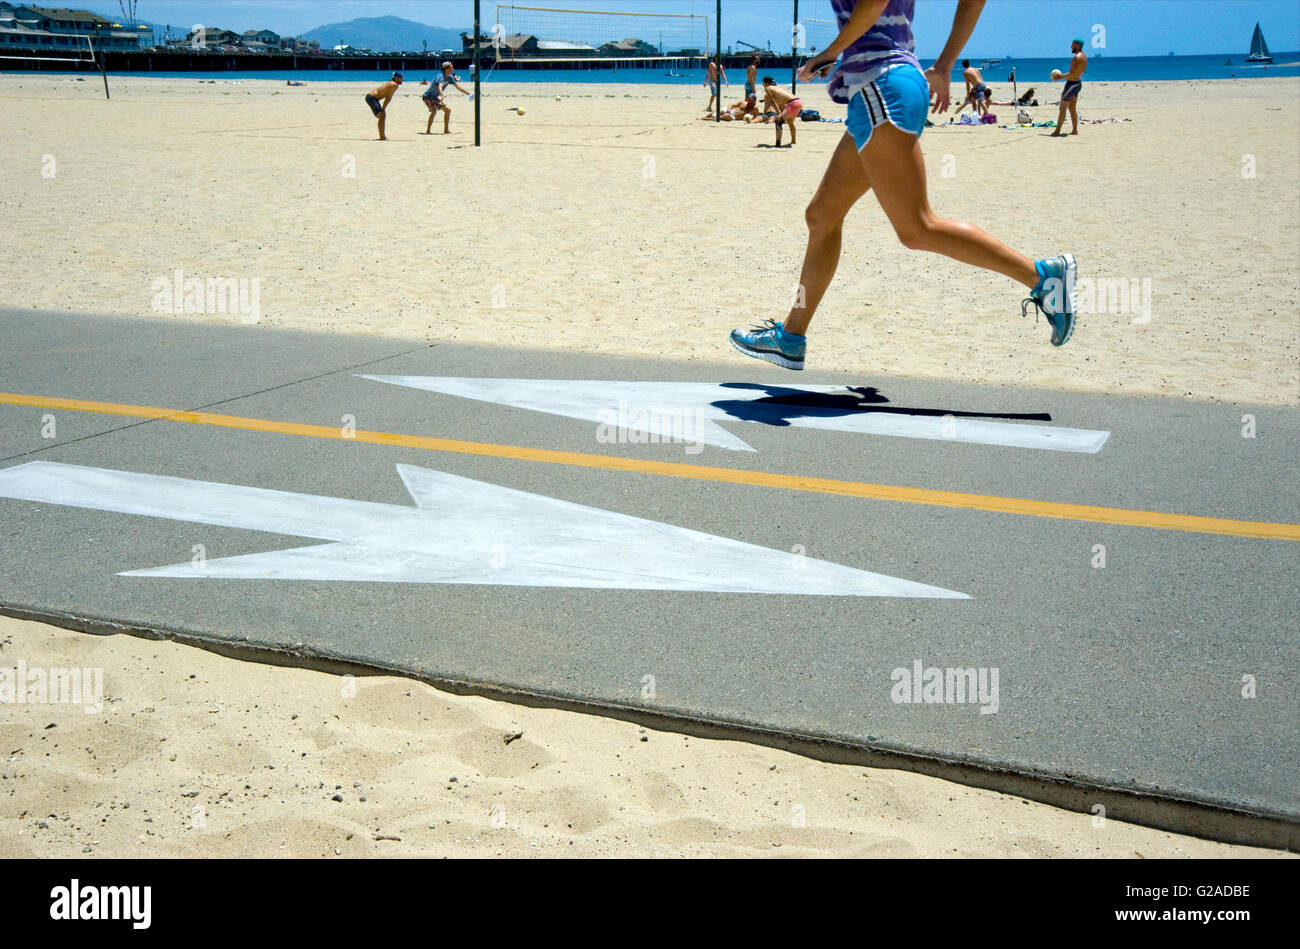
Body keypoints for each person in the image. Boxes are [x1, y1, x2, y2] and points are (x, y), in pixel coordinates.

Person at [728, 0, 1077, 372]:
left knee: (917, 227)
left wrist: (831, 52)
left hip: (883, 89)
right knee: (822, 215)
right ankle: (791, 337)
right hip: (879, 92)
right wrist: (943, 65)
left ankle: (1042, 276)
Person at [1051, 38, 1087, 136]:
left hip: (1071, 85)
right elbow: (1083, 71)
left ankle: (1057, 131)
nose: (1071, 47)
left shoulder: (1077, 58)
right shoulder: (1084, 57)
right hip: (1078, 84)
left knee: (1063, 108)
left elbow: (1072, 74)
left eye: (1072, 44)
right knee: (1072, 109)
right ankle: (1075, 130)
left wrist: (1060, 77)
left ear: (1077, 45)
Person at [423, 61, 471, 134]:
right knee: (433, 111)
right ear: (446, 69)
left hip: (434, 98)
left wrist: (469, 94)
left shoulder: (450, 77)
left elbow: (458, 87)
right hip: (427, 97)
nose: (453, 69)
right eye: (451, 67)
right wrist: (442, 94)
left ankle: (446, 130)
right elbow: (439, 86)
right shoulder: (440, 76)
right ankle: (428, 131)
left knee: (448, 110)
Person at [761, 76, 802, 146]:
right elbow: (781, 103)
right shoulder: (776, 88)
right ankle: (793, 141)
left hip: (792, 103)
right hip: (798, 101)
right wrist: (782, 112)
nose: (763, 84)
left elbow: (773, 101)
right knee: (790, 122)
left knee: (778, 121)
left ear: (766, 83)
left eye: (763, 83)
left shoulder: (767, 88)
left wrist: (779, 113)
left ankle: (778, 144)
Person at [365, 71, 403, 141]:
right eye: (401, 77)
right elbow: (388, 98)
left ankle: (382, 136)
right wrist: (383, 109)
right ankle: (382, 137)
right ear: (396, 78)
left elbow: (388, 97)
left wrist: (383, 109)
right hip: (372, 98)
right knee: (382, 116)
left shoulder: (393, 84)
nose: (402, 79)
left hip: (373, 98)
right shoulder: (394, 85)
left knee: (382, 116)